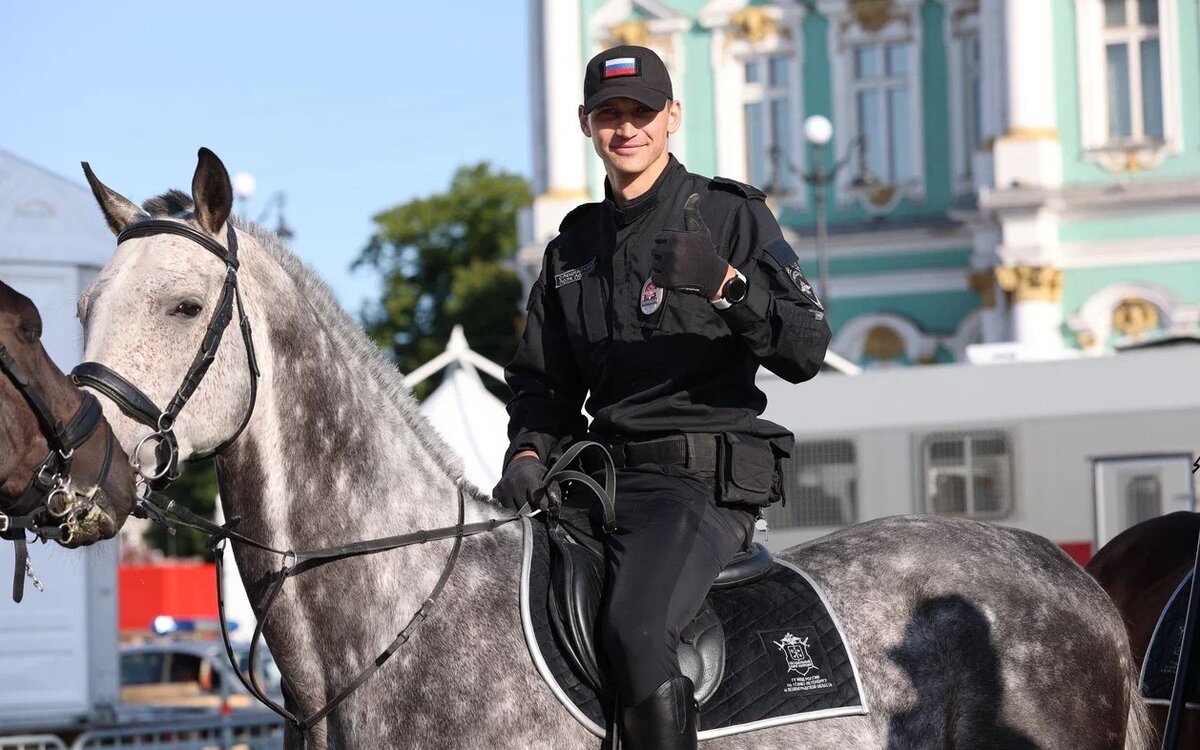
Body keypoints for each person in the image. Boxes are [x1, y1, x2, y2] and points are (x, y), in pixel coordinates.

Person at [493, 45, 831, 749]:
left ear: (672, 116)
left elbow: (806, 349)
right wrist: (529, 447)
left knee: (636, 628)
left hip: (701, 483)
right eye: (610, 115)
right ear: (587, 124)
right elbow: (545, 383)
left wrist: (728, 286)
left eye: (641, 112)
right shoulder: (570, 251)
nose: (627, 129)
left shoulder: (731, 218)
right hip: (598, 483)